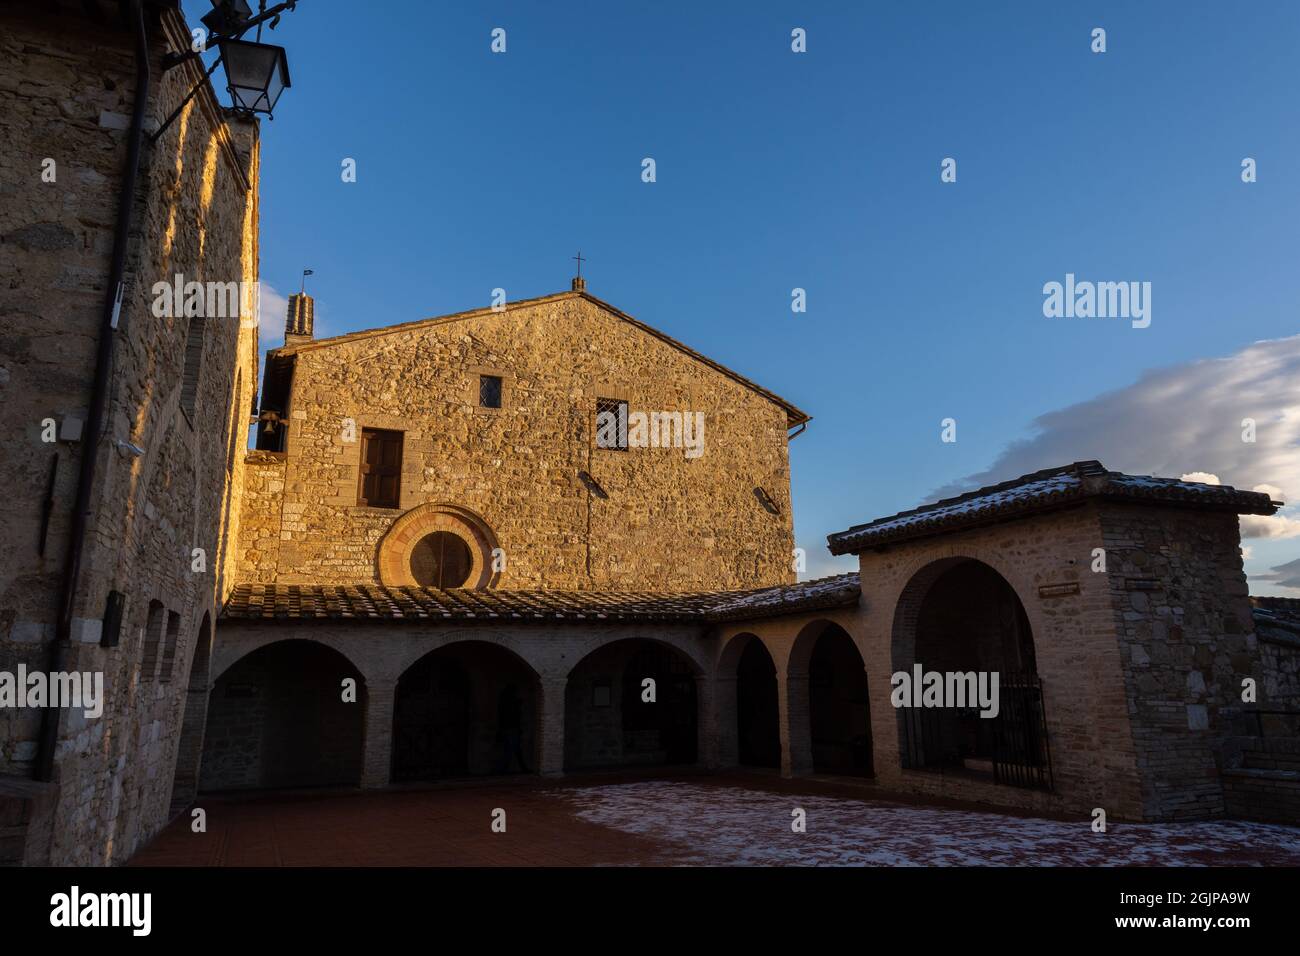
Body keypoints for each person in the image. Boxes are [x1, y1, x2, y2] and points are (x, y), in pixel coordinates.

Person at [494, 683, 530, 774]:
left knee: (514, 749)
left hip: (510, 728)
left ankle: (522, 768)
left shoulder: (505, 702)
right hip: (511, 729)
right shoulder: (510, 704)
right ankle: (501, 770)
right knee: (511, 750)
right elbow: (513, 716)